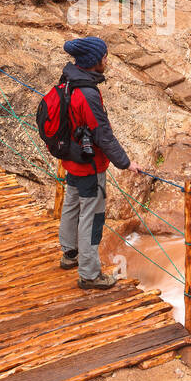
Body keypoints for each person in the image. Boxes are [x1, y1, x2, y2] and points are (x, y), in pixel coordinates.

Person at [56, 36, 132, 290]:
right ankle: (89, 274)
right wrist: (125, 163)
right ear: (93, 61)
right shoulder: (88, 93)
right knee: (92, 216)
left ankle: (70, 254)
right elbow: (102, 134)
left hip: (73, 160)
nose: (106, 60)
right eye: (104, 56)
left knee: (71, 205)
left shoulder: (68, 80)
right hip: (90, 165)